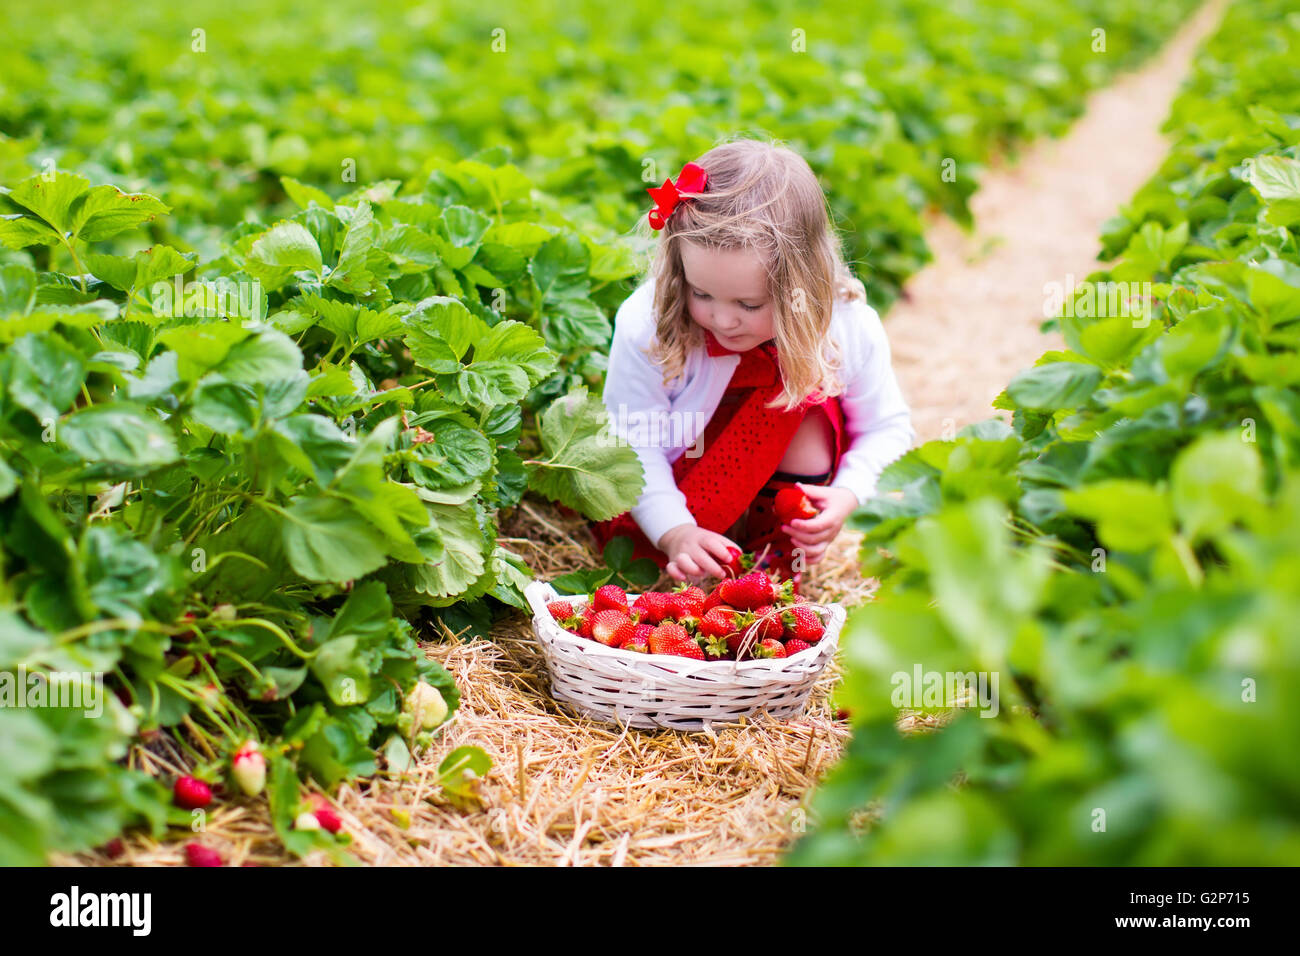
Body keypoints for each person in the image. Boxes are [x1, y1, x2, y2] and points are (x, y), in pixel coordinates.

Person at [592, 137, 914, 591]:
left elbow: (888, 428)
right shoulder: (647, 321)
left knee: (806, 401)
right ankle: (697, 552)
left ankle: (771, 558)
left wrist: (848, 493)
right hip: (673, 492)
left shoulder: (846, 326)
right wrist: (674, 528)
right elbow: (632, 439)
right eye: (700, 293)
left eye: (748, 303)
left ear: (801, 283)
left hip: (779, 480)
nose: (722, 318)